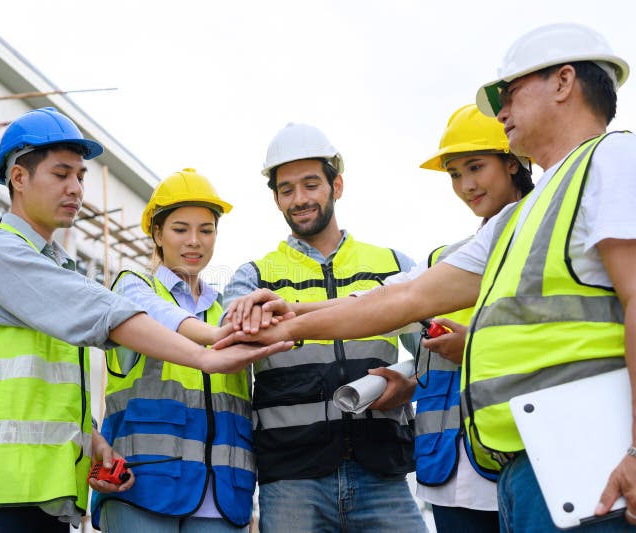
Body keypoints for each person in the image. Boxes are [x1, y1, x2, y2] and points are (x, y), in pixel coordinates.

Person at [216, 23, 636, 533]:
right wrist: (291, 319)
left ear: (564, 82)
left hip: (591, 455)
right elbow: (409, 296)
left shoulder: (612, 161)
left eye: (510, 93)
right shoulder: (522, 216)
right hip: (529, 460)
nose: (501, 112)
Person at [0, 108, 290, 533]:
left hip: (44, 496)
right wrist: (206, 355)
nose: (76, 188)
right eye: (61, 174)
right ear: (18, 177)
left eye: (80, 177)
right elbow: (104, 312)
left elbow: (50, 387)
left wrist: (92, 437)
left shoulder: (59, 269)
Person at [222, 123, 428, 532]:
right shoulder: (253, 277)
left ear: (338, 186)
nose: (299, 199)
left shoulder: (394, 266)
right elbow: (231, 345)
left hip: (383, 471)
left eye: (311, 184)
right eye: (286, 190)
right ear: (277, 199)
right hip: (292, 478)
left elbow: (437, 349)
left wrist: (413, 383)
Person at [90, 168, 254, 532]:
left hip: (223, 497)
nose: (194, 241)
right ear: (158, 234)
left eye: (206, 229)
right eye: (180, 229)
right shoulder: (132, 288)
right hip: (142, 486)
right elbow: (158, 317)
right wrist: (219, 334)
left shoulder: (227, 308)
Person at [412, 103, 532, 532]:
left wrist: (475, 347)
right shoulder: (444, 257)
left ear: (513, 163)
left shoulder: (540, 235)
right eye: (454, 174)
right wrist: (406, 377)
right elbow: (388, 299)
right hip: (447, 465)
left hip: (519, 457)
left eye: (475, 167)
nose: (465, 185)